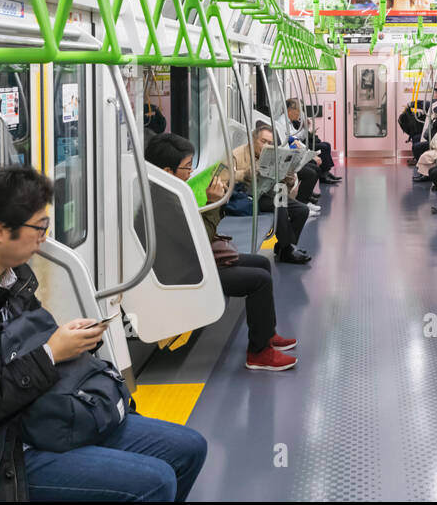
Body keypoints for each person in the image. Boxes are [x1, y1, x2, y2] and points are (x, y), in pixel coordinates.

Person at [0, 166, 207, 501]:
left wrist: (69, 344)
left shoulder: (13, 279)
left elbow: (28, 347)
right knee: (156, 481)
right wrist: (50, 354)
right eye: (39, 227)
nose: (44, 237)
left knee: (189, 449)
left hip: (44, 415)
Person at [144, 134, 297, 371]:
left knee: (261, 263)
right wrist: (215, 204)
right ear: (167, 171)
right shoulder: (162, 202)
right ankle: (259, 354)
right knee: (260, 280)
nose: (191, 173)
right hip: (187, 272)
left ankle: (266, 334)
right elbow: (199, 240)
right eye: (186, 167)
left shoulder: (168, 193)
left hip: (193, 260)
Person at [233, 124, 312, 264]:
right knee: (279, 206)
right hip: (246, 197)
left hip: (266, 193)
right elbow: (227, 177)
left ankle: (285, 248)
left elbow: (280, 187)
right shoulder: (237, 154)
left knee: (302, 210)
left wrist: (288, 180)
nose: (266, 146)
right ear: (253, 139)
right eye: (263, 141)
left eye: (270, 143)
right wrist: (246, 174)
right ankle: (287, 250)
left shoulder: (273, 157)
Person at [281, 97, 341, 184]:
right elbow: (294, 141)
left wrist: (306, 128)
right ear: (290, 110)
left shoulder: (289, 121)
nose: (300, 113)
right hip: (293, 151)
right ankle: (324, 175)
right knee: (322, 148)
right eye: (298, 110)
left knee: (326, 145)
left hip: (298, 147)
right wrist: (310, 153)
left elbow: (297, 138)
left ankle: (326, 172)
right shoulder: (283, 123)